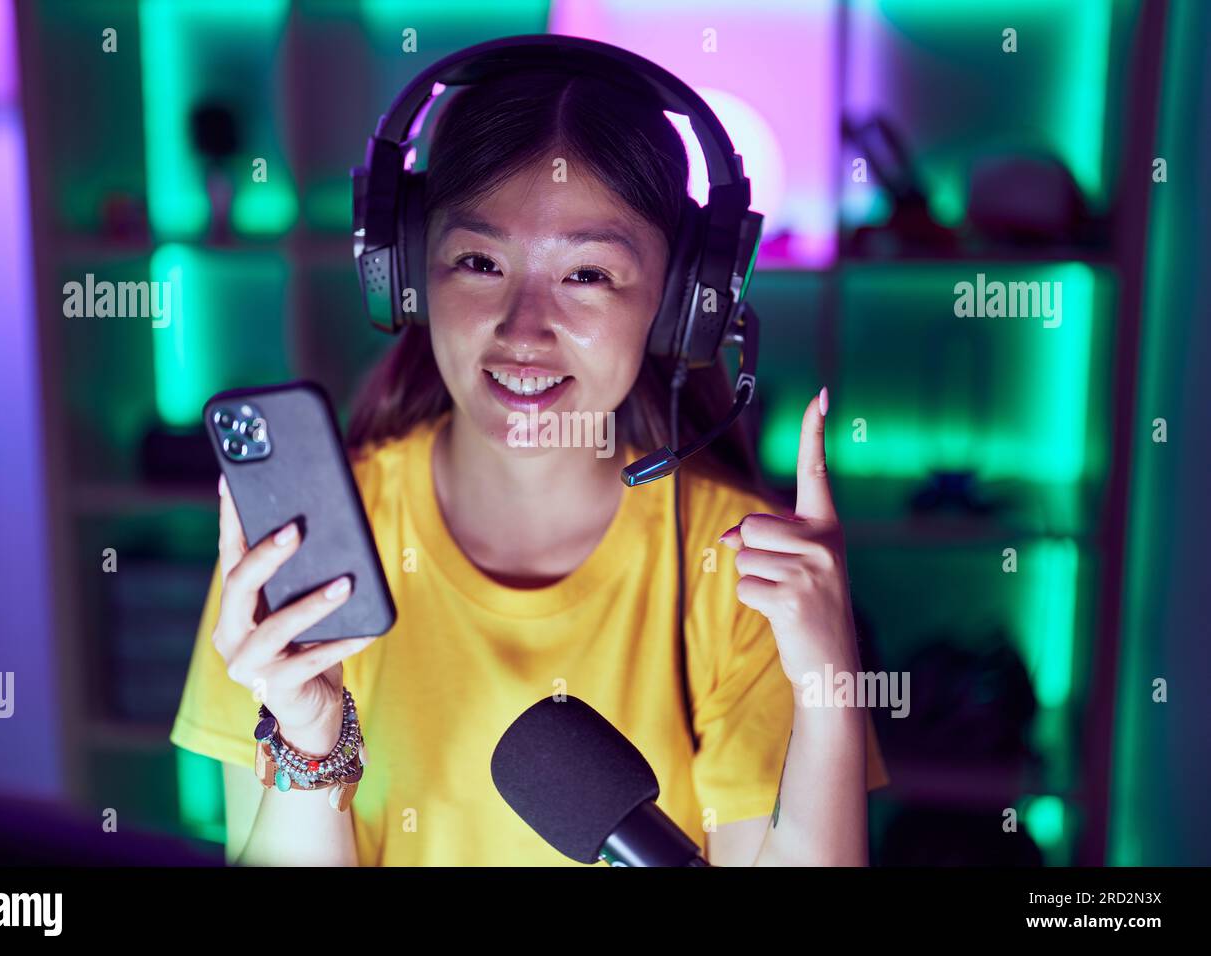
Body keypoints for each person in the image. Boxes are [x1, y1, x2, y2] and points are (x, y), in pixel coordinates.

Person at [170, 65, 888, 867]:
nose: (524, 329)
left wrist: (829, 694)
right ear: (408, 272)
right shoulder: (295, 550)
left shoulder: (744, 571)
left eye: (587, 274)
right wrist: (307, 746)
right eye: (479, 263)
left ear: (684, 303)